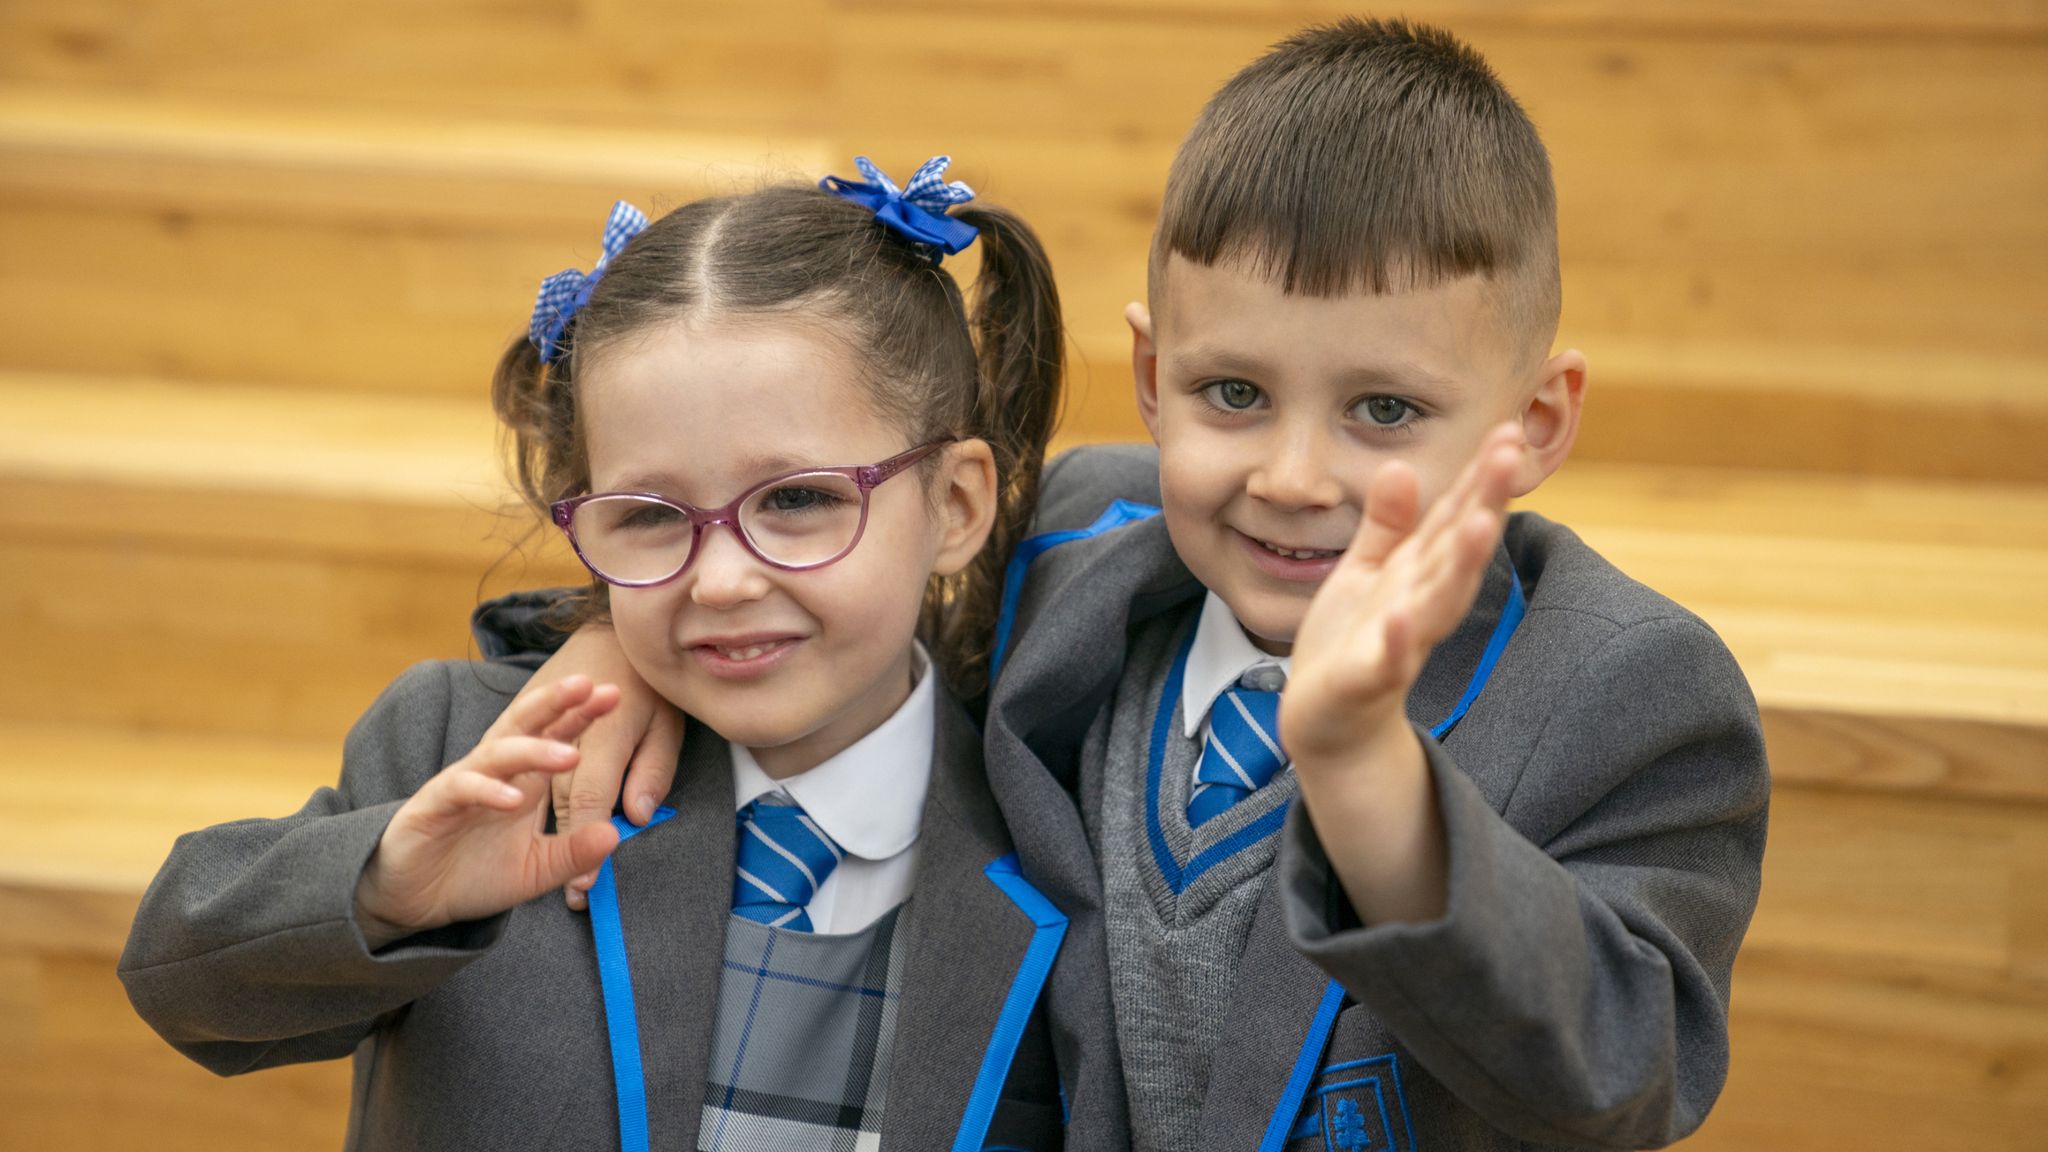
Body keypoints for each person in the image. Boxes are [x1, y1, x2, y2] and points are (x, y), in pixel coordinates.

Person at [481, 18, 1771, 1151]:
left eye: (1384, 408)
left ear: (1535, 421)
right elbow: (809, 592)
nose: (1291, 475)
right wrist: (611, 646)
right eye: (1233, 395)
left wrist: (1367, 775)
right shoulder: (1080, 542)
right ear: (1152, 379)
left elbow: (1624, 1070)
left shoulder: (1626, 684)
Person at [119, 158, 1100, 1150]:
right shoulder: (476, 752)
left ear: (960, 504)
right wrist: (378, 891)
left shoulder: (1058, 822)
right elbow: (186, 977)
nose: (719, 583)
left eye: (798, 500)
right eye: (646, 515)